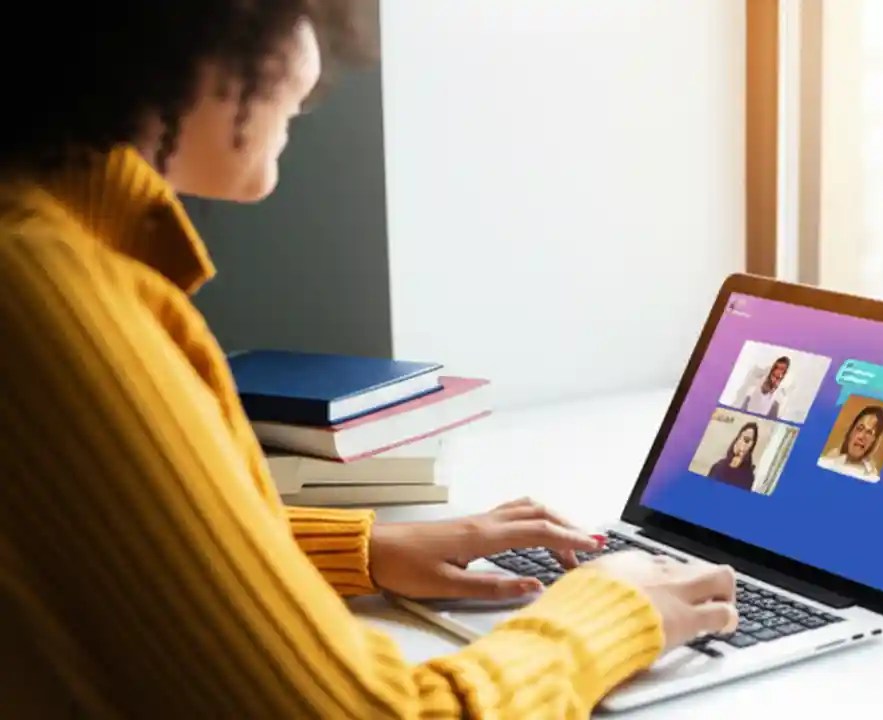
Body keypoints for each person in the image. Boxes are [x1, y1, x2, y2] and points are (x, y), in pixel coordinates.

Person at [0, 5, 738, 717]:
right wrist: (612, 615)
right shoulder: (44, 294)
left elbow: (114, 554)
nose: (314, 71)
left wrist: (361, 547)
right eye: (298, 13)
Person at [819, 405, 883, 482]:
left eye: (869, 432)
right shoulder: (827, 462)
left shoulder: (872, 477)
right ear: (851, 431)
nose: (861, 436)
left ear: (874, 441)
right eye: (859, 428)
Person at [707, 422, 760, 491]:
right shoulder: (718, 465)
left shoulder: (748, 477)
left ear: (751, 446)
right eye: (739, 438)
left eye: (746, 440)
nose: (741, 443)